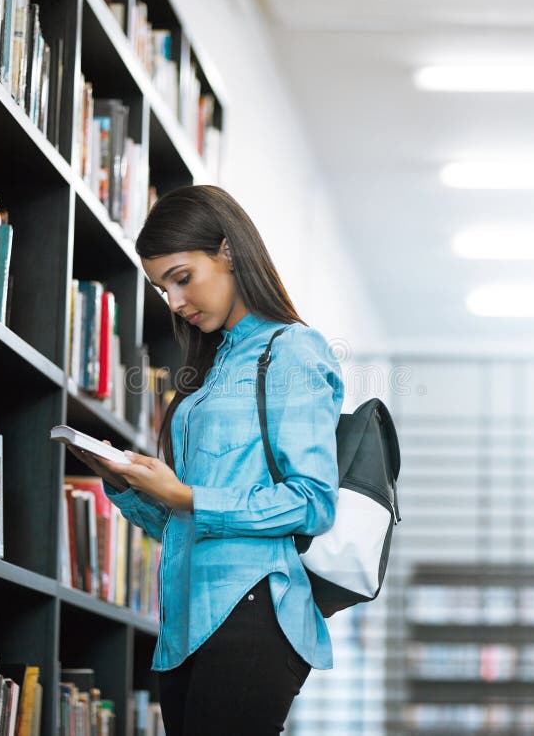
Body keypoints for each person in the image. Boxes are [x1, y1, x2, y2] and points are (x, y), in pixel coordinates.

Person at [71, 185, 343, 736]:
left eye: (182, 278)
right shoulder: (211, 365)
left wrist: (187, 495)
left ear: (228, 251)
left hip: (251, 609)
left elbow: (314, 502)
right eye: (161, 289)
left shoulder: (291, 350)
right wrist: (124, 485)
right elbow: (184, 522)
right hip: (183, 623)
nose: (174, 302)